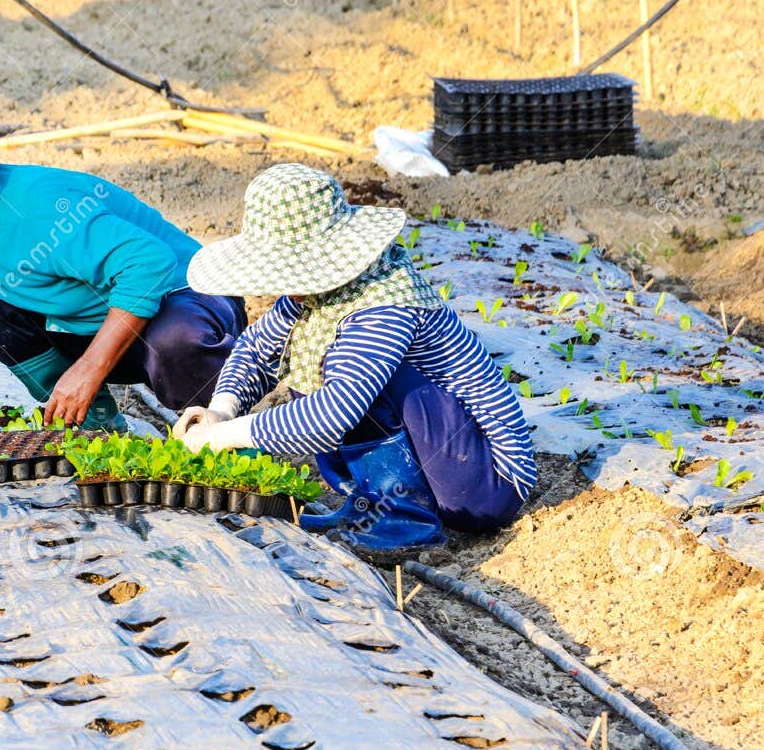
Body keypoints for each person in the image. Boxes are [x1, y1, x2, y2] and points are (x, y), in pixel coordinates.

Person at [173, 163, 536, 562]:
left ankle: (405, 520)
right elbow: (256, 350)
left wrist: (225, 438)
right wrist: (221, 411)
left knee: (353, 376)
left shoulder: (384, 305)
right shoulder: (310, 297)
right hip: (445, 466)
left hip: (487, 482)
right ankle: (370, 505)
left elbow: (333, 413)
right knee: (309, 355)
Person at [0, 117, 246, 429]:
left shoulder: (43, 212)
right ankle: (93, 423)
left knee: (175, 340)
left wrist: (89, 369)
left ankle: (220, 433)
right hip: (117, 321)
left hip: (190, 301)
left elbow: (150, 264)